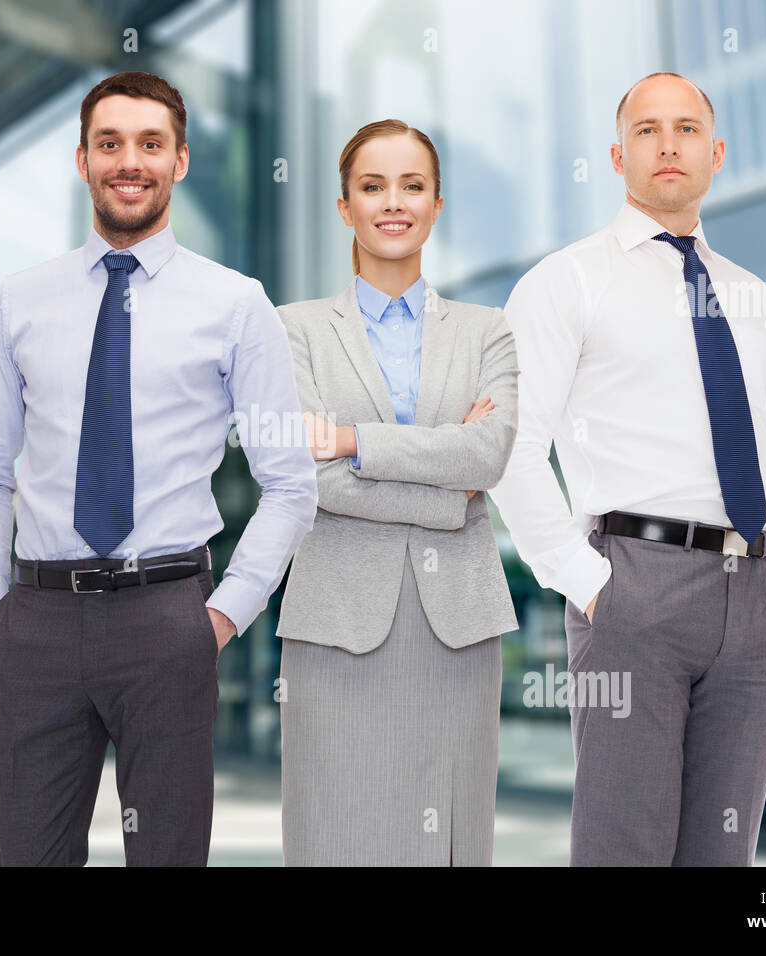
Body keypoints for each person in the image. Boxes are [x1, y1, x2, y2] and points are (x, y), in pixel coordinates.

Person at [0, 71, 317, 867]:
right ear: (81, 159)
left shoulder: (235, 304)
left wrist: (218, 619)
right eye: (110, 144)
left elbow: (290, 482)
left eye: (150, 144)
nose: (131, 161)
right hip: (37, 621)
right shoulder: (19, 301)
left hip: (168, 619)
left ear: (180, 160)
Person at [491, 72, 766, 866]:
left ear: (716, 152)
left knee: (722, 854)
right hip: (635, 586)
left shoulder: (748, 295)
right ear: (617, 154)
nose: (668, 143)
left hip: (758, 597)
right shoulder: (565, 281)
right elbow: (510, 445)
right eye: (646, 130)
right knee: (624, 849)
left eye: (685, 128)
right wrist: (586, 580)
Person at [276, 120, 519, 866]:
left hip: (457, 628)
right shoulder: (294, 331)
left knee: (448, 841)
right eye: (372, 186)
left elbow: (490, 451)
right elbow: (305, 477)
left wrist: (354, 442)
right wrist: (453, 493)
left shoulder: (488, 331)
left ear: (436, 205)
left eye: (412, 186)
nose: (393, 202)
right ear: (344, 206)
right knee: (333, 837)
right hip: (336, 623)